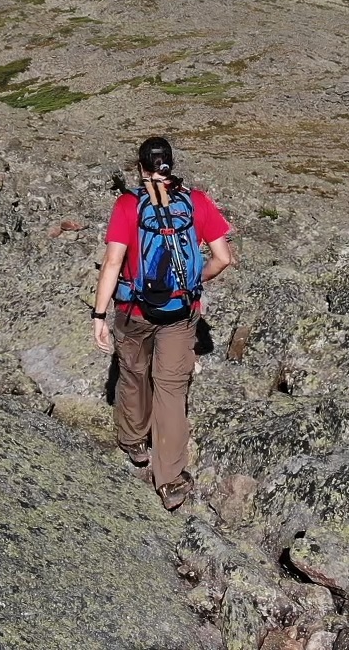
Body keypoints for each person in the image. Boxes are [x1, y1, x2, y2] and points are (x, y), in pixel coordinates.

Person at [91, 136, 234, 510]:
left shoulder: (127, 205)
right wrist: (189, 282)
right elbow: (223, 257)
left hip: (135, 311)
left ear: (140, 167)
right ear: (170, 164)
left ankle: (134, 442)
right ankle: (170, 480)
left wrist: (99, 314)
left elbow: (111, 264)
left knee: (134, 373)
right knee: (171, 391)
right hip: (181, 314)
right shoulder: (197, 201)